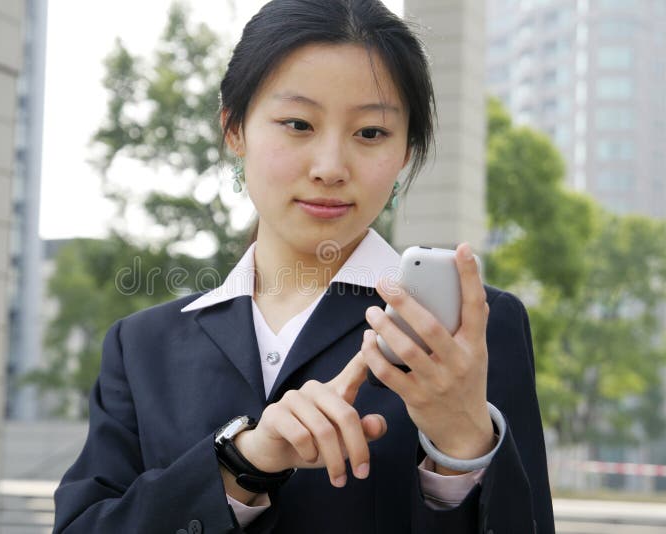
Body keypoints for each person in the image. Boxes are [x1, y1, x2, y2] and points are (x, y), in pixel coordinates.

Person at [53, 0, 555, 532]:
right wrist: (243, 463)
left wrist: (461, 447)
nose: (330, 168)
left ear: (406, 150)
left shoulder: (466, 331)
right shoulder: (142, 347)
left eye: (371, 133)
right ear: (235, 130)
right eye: (298, 124)